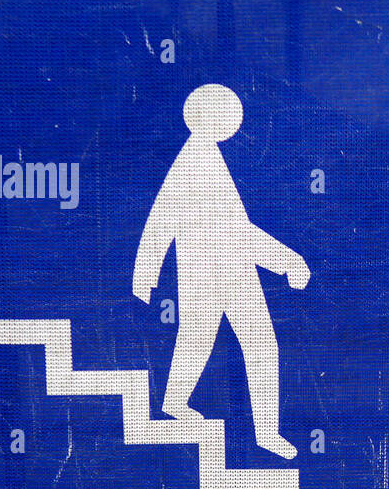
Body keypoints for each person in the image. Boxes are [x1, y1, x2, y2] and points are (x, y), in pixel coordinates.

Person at [132, 83, 308, 460]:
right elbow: (164, 221)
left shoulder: (206, 157)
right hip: (210, 273)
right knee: (216, 342)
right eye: (224, 115)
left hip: (229, 271)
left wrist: (145, 276)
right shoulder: (195, 160)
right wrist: (287, 261)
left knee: (249, 346)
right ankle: (183, 405)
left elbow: (231, 229)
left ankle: (261, 431)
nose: (230, 122)